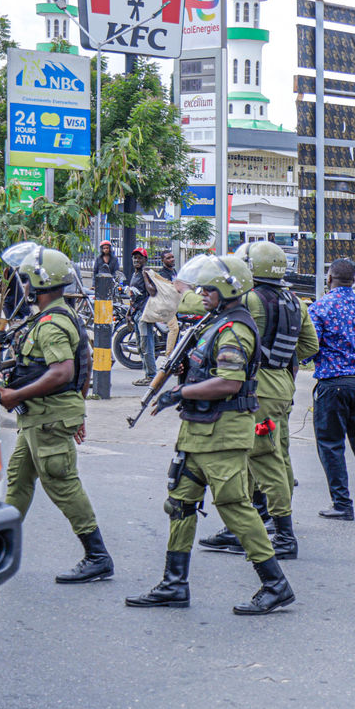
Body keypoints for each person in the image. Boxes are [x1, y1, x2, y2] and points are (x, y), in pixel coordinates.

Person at [126, 254, 295, 615]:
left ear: (227, 288)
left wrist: (179, 393)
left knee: (234, 507)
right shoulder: (214, 324)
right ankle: (174, 584)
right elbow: (205, 369)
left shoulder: (235, 329)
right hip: (199, 432)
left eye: (208, 288)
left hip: (222, 433)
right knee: (180, 504)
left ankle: (275, 584)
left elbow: (231, 381)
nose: (201, 293)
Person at [0, 242, 113, 584]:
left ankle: (98, 555)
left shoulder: (51, 324)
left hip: (47, 418)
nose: (25, 286)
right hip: (40, 418)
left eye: (28, 280)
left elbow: (62, 371)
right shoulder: (54, 316)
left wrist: (16, 394)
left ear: (41, 283)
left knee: (61, 482)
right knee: (18, 481)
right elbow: (81, 367)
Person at [198, 242, 318, 559]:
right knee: (263, 453)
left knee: (265, 458)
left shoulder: (249, 299)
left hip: (257, 387)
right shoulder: (295, 301)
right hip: (281, 385)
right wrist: (278, 356)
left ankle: (283, 535)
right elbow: (309, 346)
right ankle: (247, 523)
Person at [307, 258, 355, 520]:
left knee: (331, 444)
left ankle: (342, 503)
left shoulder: (320, 308)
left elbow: (310, 348)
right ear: (353, 280)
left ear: (329, 278)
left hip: (333, 384)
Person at [130, 247, 156, 387]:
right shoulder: (134, 275)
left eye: (140, 258)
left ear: (145, 260)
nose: (137, 260)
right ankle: (148, 375)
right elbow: (133, 296)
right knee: (140, 347)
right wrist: (129, 313)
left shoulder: (146, 273)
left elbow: (152, 292)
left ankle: (152, 376)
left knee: (147, 346)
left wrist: (146, 277)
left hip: (144, 315)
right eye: (135, 257)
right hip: (136, 314)